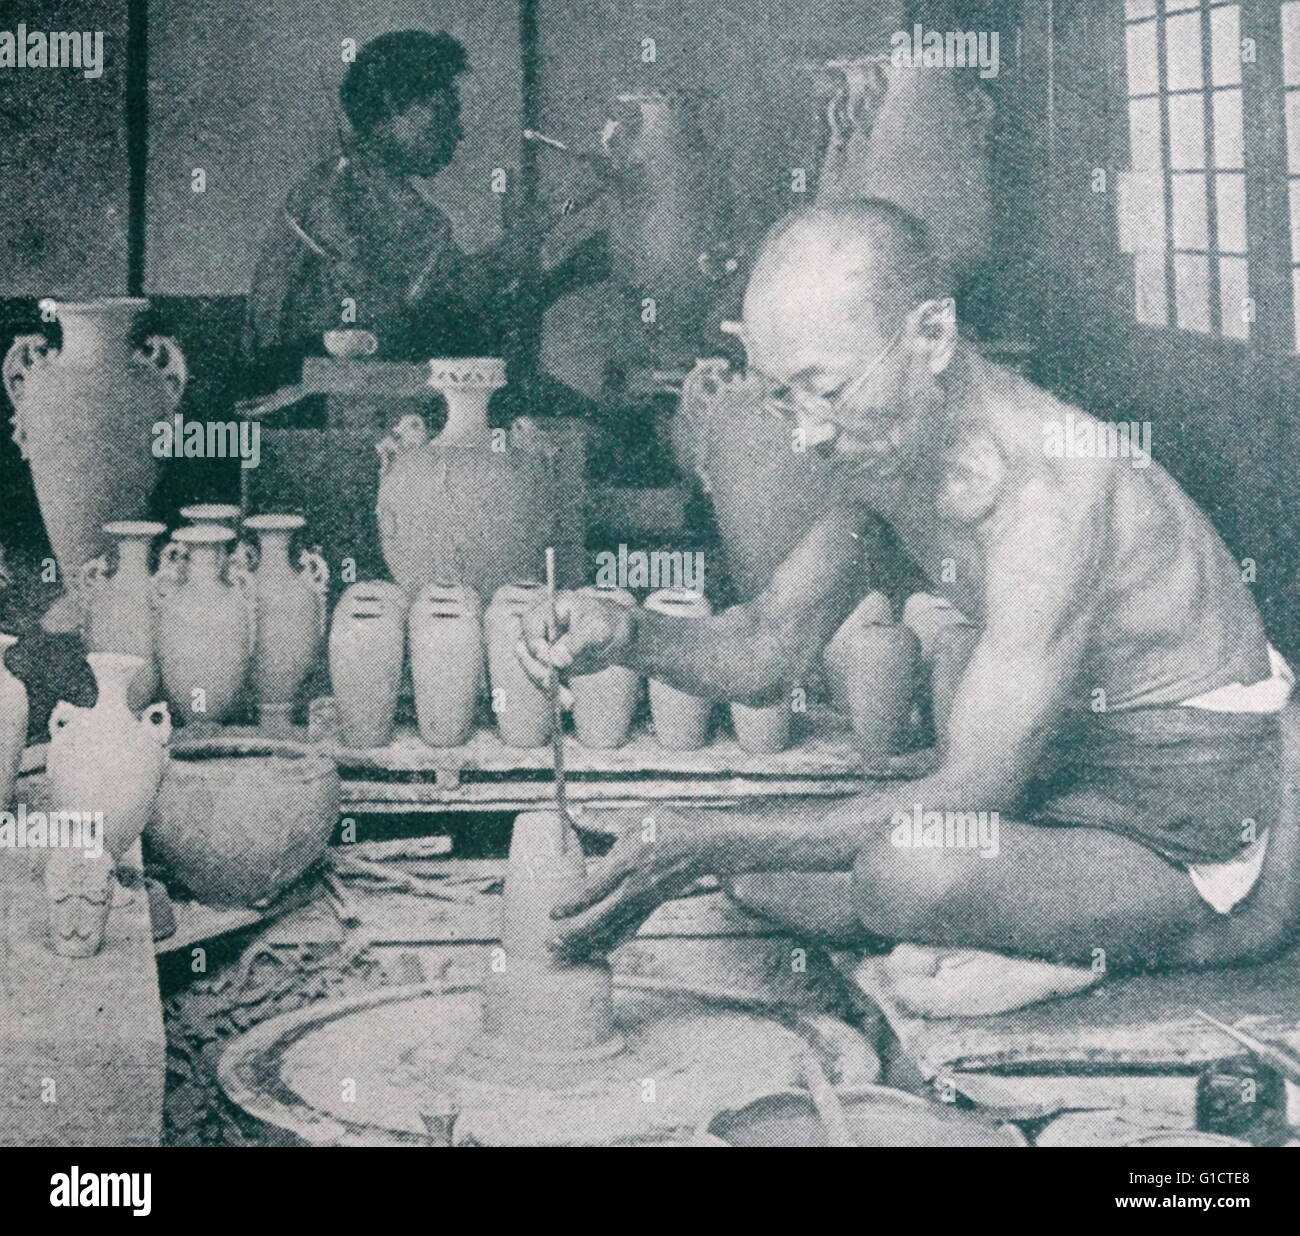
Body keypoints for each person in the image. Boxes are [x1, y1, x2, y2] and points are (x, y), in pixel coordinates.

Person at [516, 199, 1300, 1018]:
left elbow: (974, 789)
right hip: (1061, 787)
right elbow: (764, 650)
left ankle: (1198, 935)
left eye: (824, 390)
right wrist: (625, 632)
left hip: (1182, 818)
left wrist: (705, 835)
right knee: (759, 877)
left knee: (906, 870)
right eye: (783, 398)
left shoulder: (1053, 495)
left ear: (931, 336)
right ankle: (1014, 923)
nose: (807, 435)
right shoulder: (893, 454)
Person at [243, 29, 608, 394]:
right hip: (313, 401)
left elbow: (450, 301)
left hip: (322, 387)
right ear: (393, 104)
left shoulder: (337, 178)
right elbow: (455, 304)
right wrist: (547, 231)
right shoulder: (359, 197)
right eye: (445, 112)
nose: (458, 132)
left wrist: (543, 238)